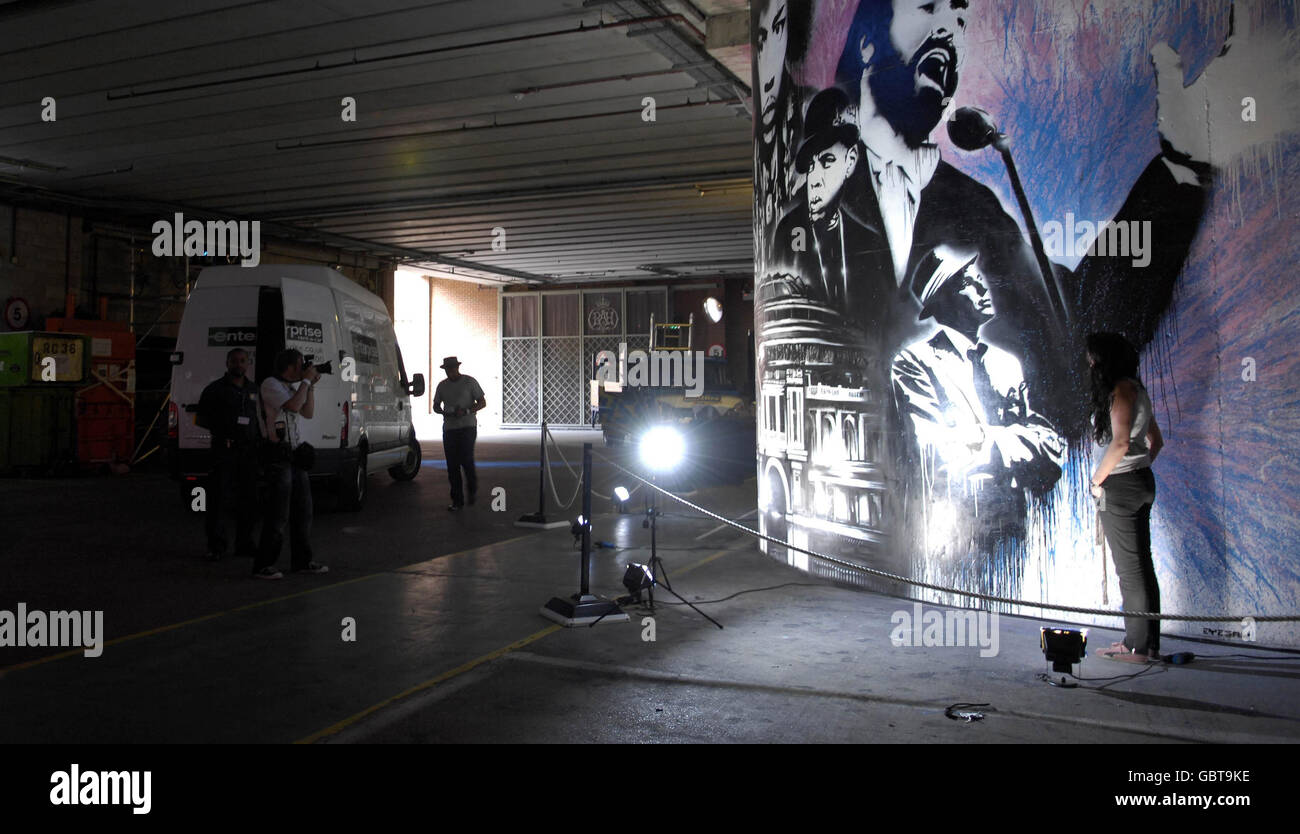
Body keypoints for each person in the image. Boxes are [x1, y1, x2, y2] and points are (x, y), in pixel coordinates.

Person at [833, 0, 1212, 437]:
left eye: (959, 21)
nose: (949, 31)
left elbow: (1071, 316)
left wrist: (1178, 176)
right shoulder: (818, 172)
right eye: (929, 6)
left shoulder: (974, 204)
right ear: (866, 43)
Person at [891, 250, 1064, 592]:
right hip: (958, 526)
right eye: (970, 283)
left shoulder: (1005, 363)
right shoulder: (915, 362)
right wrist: (1014, 440)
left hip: (1016, 518)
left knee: (1014, 604)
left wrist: (985, 441)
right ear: (945, 299)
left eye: (979, 279)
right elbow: (938, 451)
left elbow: (1051, 443)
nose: (984, 288)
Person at [772, 88, 893, 323]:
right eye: (810, 166)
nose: (815, 178)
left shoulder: (867, 241)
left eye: (827, 161)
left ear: (850, 161)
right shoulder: (788, 232)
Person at [1086, 332, 1164, 663]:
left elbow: (1119, 444)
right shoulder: (1138, 390)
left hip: (1117, 488)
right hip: (1140, 482)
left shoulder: (1120, 392)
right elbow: (1155, 441)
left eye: (1092, 358)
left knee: (1130, 572)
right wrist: (1138, 470)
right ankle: (1148, 644)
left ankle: (1136, 648)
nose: (1089, 363)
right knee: (1142, 567)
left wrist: (1096, 481)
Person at [253, 349, 328, 579]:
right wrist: (306, 381)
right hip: (277, 455)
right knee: (278, 514)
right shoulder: (270, 384)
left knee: (303, 511)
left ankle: (302, 561)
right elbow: (294, 406)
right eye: (301, 365)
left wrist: (311, 385)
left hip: (294, 454)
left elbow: (308, 412)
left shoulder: (290, 387)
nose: (304, 368)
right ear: (292, 366)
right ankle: (264, 565)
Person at [195, 348, 261, 561]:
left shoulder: (254, 390)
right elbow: (201, 419)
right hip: (224, 451)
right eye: (234, 361)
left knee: (248, 500)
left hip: (249, 452)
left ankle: (245, 544)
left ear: (247, 364)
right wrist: (224, 429)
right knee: (218, 499)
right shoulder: (214, 390)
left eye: (242, 361)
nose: (239, 365)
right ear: (227, 363)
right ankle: (216, 546)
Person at [432, 356, 486, 511]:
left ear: (457, 368)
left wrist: (467, 411)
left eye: (452, 369)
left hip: (467, 426)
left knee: (466, 459)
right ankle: (457, 500)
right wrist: (442, 411)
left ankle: (472, 488)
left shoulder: (470, 382)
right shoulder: (442, 386)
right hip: (449, 428)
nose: (450, 372)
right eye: (447, 370)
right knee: (452, 465)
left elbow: (482, 402)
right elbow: (435, 404)